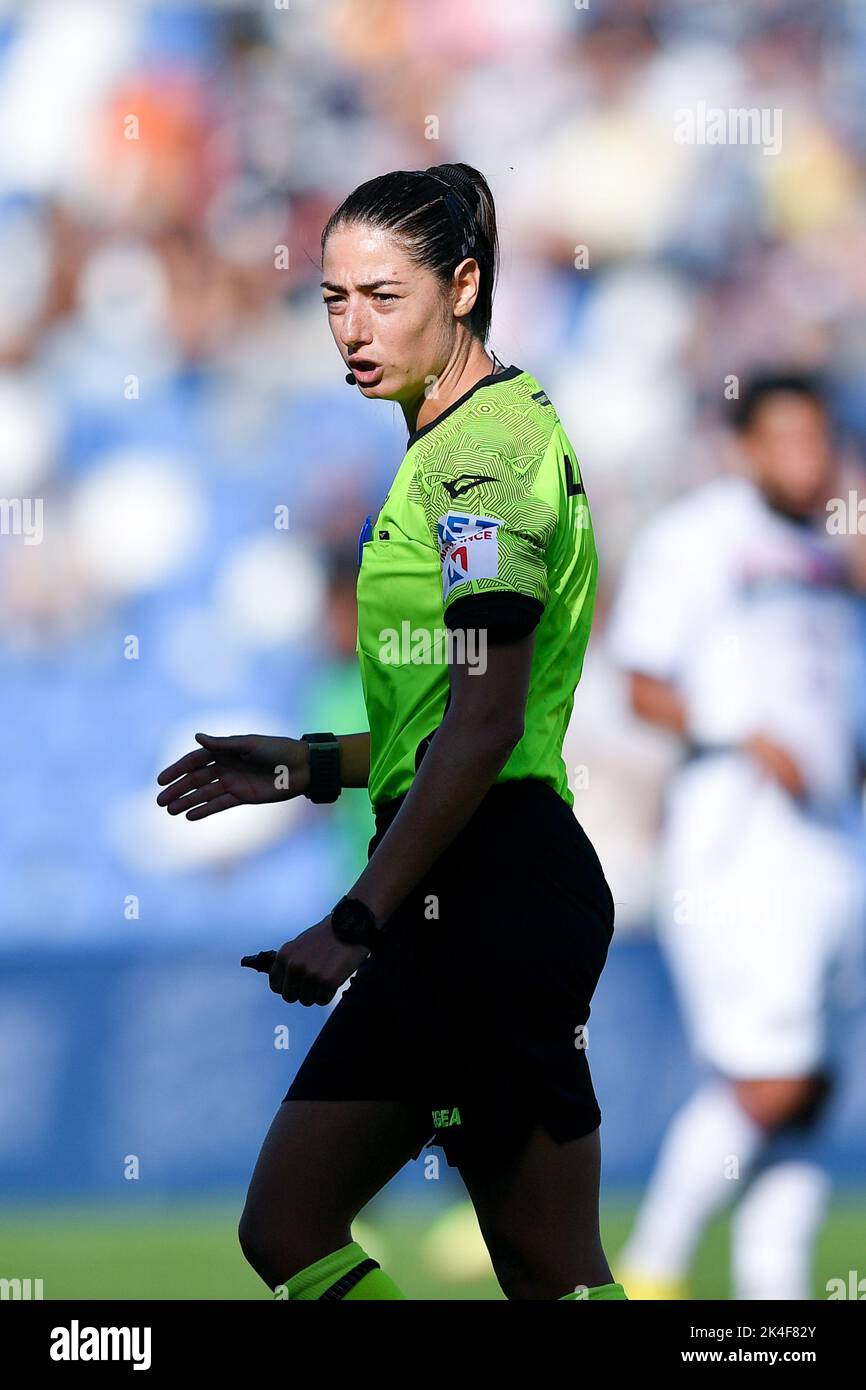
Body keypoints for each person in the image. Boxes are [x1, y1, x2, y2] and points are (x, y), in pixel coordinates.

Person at [156, 163, 625, 1301]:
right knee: (548, 1271)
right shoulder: (458, 437)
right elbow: (456, 720)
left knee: (289, 1224)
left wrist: (357, 918)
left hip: (481, 887)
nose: (350, 331)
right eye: (331, 299)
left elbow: (485, 721)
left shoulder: (477, 461)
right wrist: (307, 763)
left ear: (462, 286)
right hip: (500, 876)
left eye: (383, 296)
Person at [607, 371, 866, 1299]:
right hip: (739, 841)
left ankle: (775, 1299)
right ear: (746, 446)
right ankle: (652, 1267)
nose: (807, 461)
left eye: (819, 441)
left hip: (836, 841)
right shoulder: (700, 540)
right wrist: (741, 737)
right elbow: (640, 682)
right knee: (771, 1080)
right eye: (785, 441)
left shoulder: (835, 549)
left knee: (815, 1090)